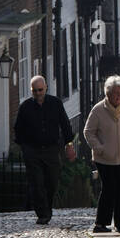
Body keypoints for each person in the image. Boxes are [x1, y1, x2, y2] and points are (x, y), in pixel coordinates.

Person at [13, 75, 75, 225]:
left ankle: (47, 208)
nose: (38, 93)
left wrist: (69, 144)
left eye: (40, 90)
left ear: (46, 88)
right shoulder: (25, 107)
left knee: (51, 181)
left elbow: (65, 124)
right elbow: (18, 128)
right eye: (35, 91)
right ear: (31, 91)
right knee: (36, 182)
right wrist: (24, 147)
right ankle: (42, 213)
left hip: (51, 149)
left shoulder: (55, 103)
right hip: (32, 150)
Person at [84, 75, 120, 235]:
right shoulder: (98, 109)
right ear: (108, 94)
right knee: (108, 189)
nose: (118, 96)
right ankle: (101, 223)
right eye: (115, 93)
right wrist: (99, 148)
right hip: (104, 159)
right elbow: (88, 132)